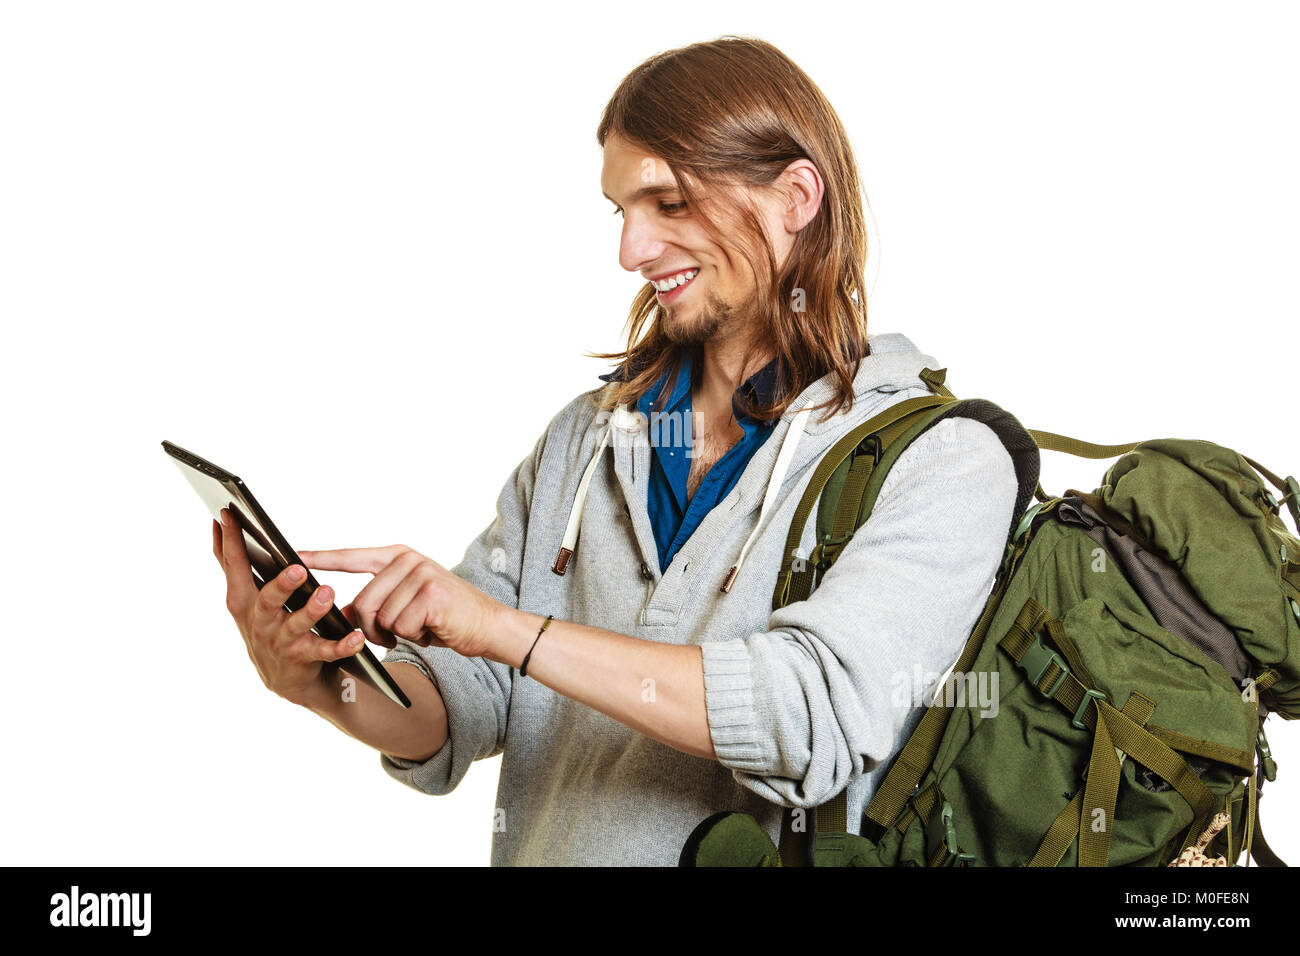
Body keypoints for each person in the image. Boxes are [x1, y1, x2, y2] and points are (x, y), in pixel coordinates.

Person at [212, 35, 1020, 866]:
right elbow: (470, 697)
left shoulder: (943, 461)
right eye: (621, 211)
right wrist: (320, 682)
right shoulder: (587, 438)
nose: (631, 252)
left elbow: (812, 715)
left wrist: (507, 631)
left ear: (795, 196)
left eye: (669, 204)